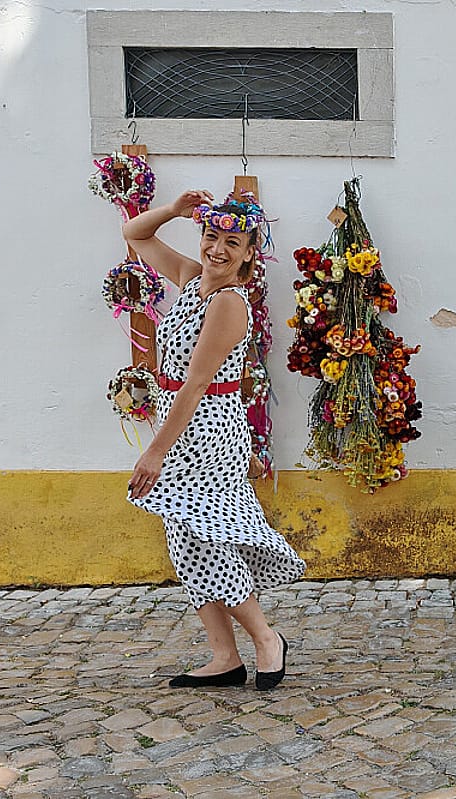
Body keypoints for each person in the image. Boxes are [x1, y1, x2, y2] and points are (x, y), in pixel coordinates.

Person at [124, 190, 306, 689]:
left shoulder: (229, 304)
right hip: (179, 422)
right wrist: (175, 211)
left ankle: (266, 639)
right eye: (211, 236)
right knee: (184, 540)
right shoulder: (188, 282)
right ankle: (224, 656)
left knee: (210, 541)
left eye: (233, 242)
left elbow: (198, 382)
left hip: (211, 430)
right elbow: (135, 234)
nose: (218, 249)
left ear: (250, 252)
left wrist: (155, 451)